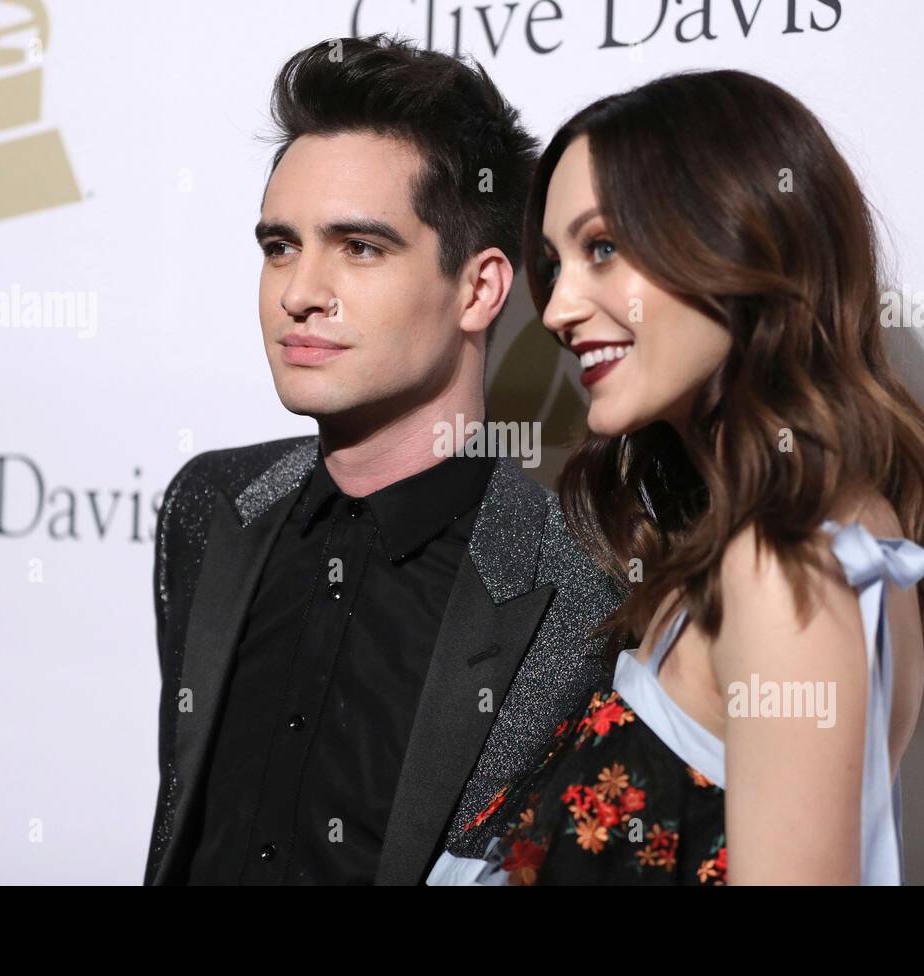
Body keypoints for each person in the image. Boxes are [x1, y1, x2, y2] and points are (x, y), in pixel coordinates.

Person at [427, 69, 924, 885]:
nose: (556, 309)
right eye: (557, 262)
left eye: (604, 248)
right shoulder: (764, 536)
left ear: (739, 237)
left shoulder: (784, 562)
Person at [143, 34, 623, 886]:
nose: (298, 291)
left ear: (479, 289)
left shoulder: (582, 582)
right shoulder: (209, 505)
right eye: (280, 245)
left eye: (359, 247)